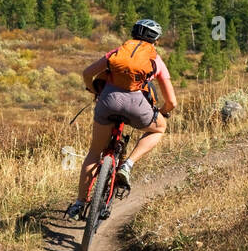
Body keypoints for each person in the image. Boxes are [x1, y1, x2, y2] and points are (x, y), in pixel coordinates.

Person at [66, 18, 177, 220]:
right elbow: (172, 101)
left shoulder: (118, 52)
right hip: (137, 106)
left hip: (107, 102)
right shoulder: (155, 60)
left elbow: (87, 73)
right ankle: (127, 164)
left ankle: (79, 204)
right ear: (156, 41)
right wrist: (162, 112)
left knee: (94, 152)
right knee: (159, 128)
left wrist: (94, 91)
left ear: (133, 34)